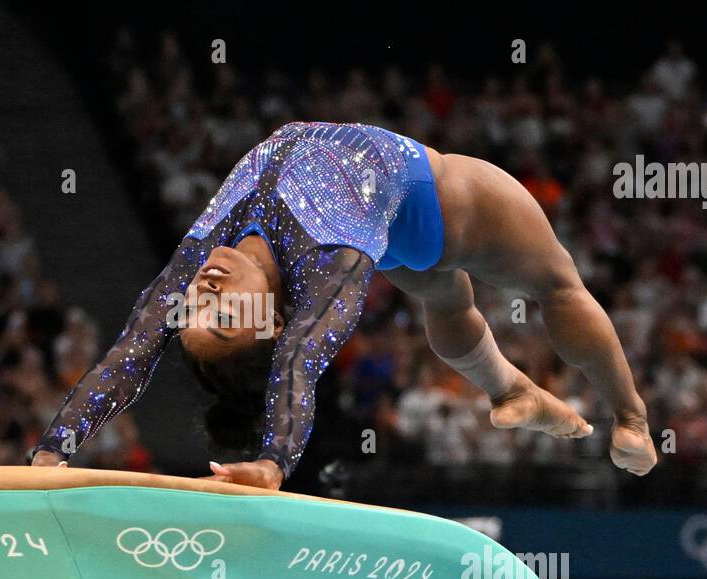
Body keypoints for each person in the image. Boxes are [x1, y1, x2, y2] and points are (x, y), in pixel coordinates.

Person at [33, 122, 656, 487]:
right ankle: (631, 419)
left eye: (190, 309)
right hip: (448, 205)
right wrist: (274, 464)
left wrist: (50, 452)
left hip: (386, 224)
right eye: (223, 320)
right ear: (269, 322)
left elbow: (128, 354)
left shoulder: (198, 258)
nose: (203, 294)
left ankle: (511, 392)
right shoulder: (328, 262)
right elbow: (298, 362)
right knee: (556, 286)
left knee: (443, 294)